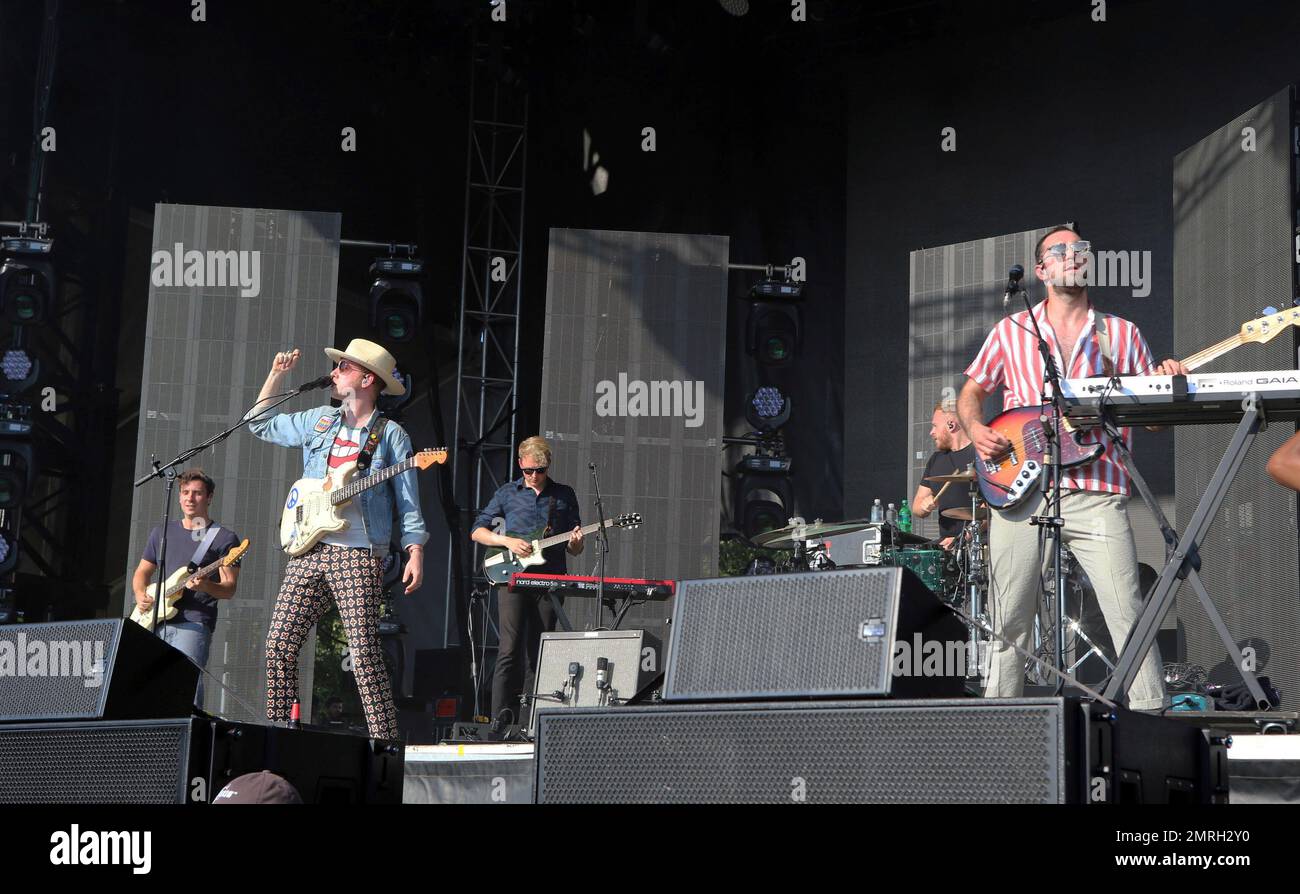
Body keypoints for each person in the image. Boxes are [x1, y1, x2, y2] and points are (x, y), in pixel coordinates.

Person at [956, 224, 1186, 711]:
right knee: (1009, 618)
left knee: (1127, 610)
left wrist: (1167, 386)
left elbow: (1154, 427)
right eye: (1060, 251)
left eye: (1081, 249)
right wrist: (975, 428)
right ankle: (1001, 728)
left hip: (1096, 489)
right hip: (1021, 491)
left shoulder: (1121, 334)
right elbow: (972, 392)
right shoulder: (1011, 330)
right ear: (1041, 270)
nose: (1073, 255)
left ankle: (1152, 719)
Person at [247, 339, 427, 740]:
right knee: (279, 642)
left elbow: (408, 502)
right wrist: (277, 375)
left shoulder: (391, 435)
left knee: (363, 652)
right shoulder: (319, 420)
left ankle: (385, 744)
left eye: (343, 368)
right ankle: (281, 730)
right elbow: (258, 423)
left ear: (366, 379)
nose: (334, 373)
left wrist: (415, 551)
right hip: (309, 547)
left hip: (359, 553)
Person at [471, 436, 584, 726]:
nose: (534, 476)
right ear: (520, 464)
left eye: (540, 470)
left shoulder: (564, 494)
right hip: (515, 578)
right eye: (529, 470)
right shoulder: (508, 493)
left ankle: (530, 722)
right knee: (509, 648)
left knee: (541, 650)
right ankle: (498, 720)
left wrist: (575, 543)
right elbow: (477, 531)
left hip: (550, 580)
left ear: (548, 466)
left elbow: (575, 547)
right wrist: (507, 541)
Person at [131, 468, 241, 706]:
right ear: (179, 496)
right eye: (185, 493)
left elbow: (229, 588)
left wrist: (207, 585)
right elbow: (142, 572)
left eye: (198, 493)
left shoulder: (224, 538)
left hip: (193, 621)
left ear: (209, 497)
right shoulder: (162, 532)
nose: (190, 498)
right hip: (152, 621)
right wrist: (140, 593)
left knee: (185, 684)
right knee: (149, 684)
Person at [911, 400, 978, 549]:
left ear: (951, 425)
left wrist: (963, 537)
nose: (931, 432)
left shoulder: (980, 454)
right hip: (945, 545)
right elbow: (916, 507)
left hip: (977, 544)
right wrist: (924, 505)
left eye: (935, 426)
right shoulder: (936, 459)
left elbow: (991, 509)